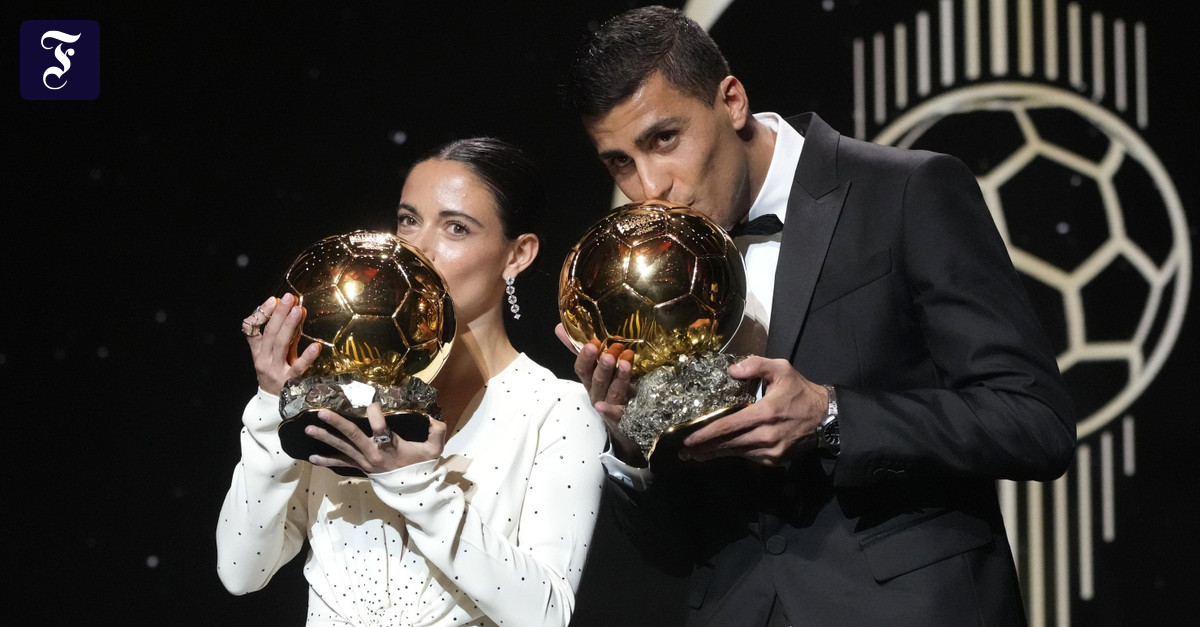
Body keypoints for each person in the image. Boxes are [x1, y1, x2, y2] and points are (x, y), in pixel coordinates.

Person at [557, 6, 1076, 626]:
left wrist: (832, 415)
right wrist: (631, 438)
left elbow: (1034, 423)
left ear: (732, 101)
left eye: (664, 139)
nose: (649, 187)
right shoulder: (639, 280)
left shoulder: (907, 192)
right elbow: (669, 550)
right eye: (618, 162)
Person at [217, 137, 608, 627]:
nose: (417, 248)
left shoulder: (555, 409)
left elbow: (547, 615)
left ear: (518, 255)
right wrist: (270, 405)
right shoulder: (343, 388)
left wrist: (414, 487)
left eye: (456, 228)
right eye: (408, 220)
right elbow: (240, 571)